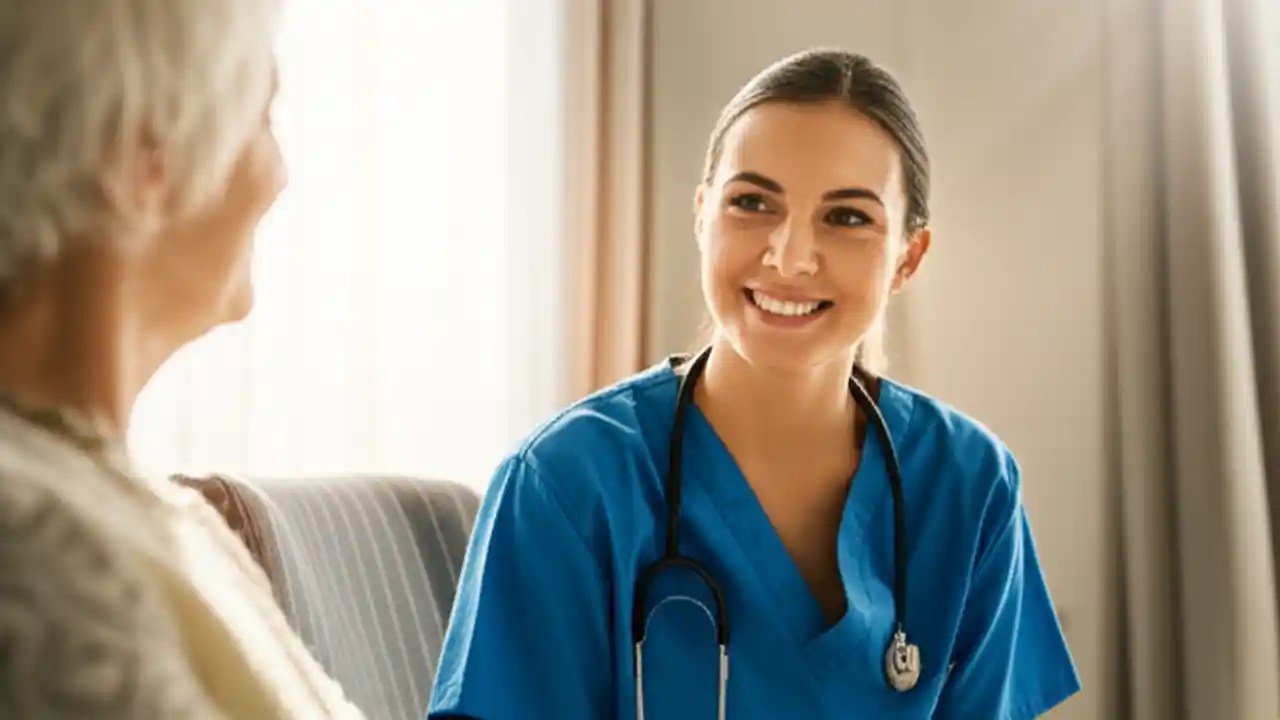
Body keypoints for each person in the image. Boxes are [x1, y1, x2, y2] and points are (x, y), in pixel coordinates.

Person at [428, 48, 1080, 719]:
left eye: (848, 217)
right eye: (752, 203)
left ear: (908, 258)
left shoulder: (967, 485)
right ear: (702, 215)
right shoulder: (568, 483)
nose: (790, 256)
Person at [0, 1, 364, 717]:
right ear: (143, 157)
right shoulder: (36, 550)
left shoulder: (149, 512)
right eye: (262, 116)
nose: (281, 175)